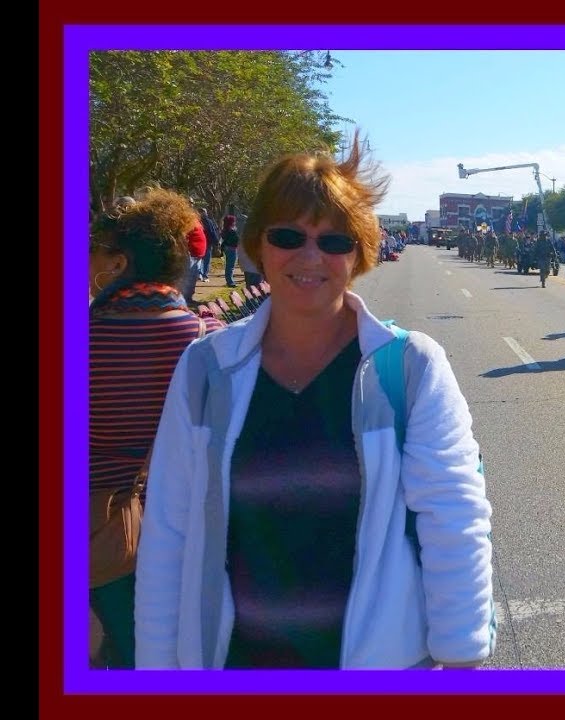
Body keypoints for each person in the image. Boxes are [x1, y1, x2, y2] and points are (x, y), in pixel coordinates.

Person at [135, 132, 495, 670]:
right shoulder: (205, 368)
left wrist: (460, 656)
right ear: (257, 246)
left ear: (360, 253)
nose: (310, 256)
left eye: (333, 241)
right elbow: (169, 532)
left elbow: (453, 516)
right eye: (288, 235)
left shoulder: (412, 367)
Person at [89, 188, 225, 669]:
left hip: (98, 523)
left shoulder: (89, 331)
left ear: (120, 263)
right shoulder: (195, 336)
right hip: (163, 520)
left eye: (95, 252)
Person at [221, 206, 241, 287]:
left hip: (227, 248)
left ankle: (229, 280)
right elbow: (236, 239)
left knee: (229, 265)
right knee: (231, 266)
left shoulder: (225, 229)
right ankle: (230, 281)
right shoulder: (232, 230)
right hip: (232, 248)